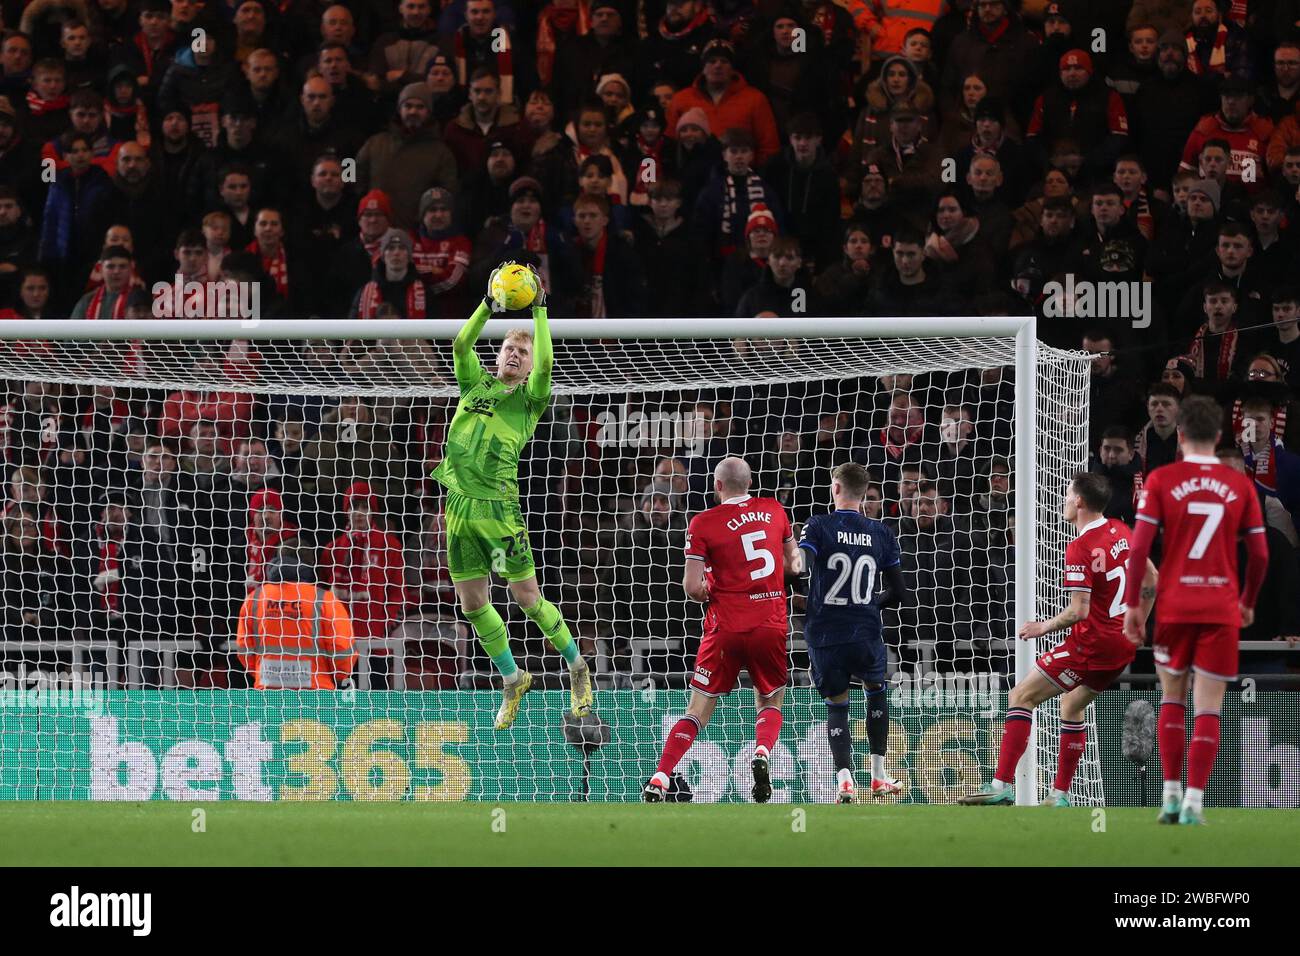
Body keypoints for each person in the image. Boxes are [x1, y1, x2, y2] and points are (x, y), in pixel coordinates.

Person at [429, 271, 592, 729]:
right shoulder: (474, 385)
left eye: (523, 352)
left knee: (526, 598)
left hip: (500, 512)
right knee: (472, 604)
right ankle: (512, 677)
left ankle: (577, 666)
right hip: (458, 508)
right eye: (509, 349)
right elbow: (461, 346)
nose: (516, 356)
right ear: (498, 356)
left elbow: (545, 368)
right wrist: (486, 304)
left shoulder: (529, 401)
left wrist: (539, 308)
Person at [961, 472, 1157, 807]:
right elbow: (1152, 576)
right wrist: (1139, 621)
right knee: (1071, 704)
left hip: (1092, 644)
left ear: (1079, 501)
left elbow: (1078, 611)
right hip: (1122, 644)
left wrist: (1042, 627)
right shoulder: (1122, 530)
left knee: (1021, 695)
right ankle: (1060, 795)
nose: (1065, 500)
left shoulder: (1081, 547)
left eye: (1067, 495)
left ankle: (1001, 786)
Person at [1121, 395, 1269, 825]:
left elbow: (1140, 550)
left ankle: (1168, 797)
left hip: (1175, 607)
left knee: (1172, 697)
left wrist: (1133, 605)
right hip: (1221, 607)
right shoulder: (1239, 485)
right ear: (1220, 436)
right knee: (1209, 707)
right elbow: (1259, 555)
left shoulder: (1163, 479)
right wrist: (1247, 602)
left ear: (1181, 435)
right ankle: (1194, 803)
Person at [643, 456, 800, 803]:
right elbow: (795, 564)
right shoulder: (775, 510)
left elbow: (691, 586)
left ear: (717, 486)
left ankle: (661, 775)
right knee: (770, 699)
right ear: (749, 482)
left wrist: (713, 587)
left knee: (697, 710)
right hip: (768, 624)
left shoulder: (703, 522)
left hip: (725, 627)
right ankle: (761, 750)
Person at [798, 462, 908, 803]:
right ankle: (878, 776)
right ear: (865, 496)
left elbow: (799, 568)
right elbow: (900, 592)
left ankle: (845, 780)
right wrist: (871, 605)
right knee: (875, 691)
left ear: (835, 488)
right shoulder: (881, 533)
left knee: (837, 704)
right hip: (864, 630)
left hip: (825, 633)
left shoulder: (817, 525)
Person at [235, 556, 357, 690]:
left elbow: (244, 647)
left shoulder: (255, 598)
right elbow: (341, 647)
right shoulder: (325, 599)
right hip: (316, 690)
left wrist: (261, 673)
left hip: (268, 689)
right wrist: (338, 676)